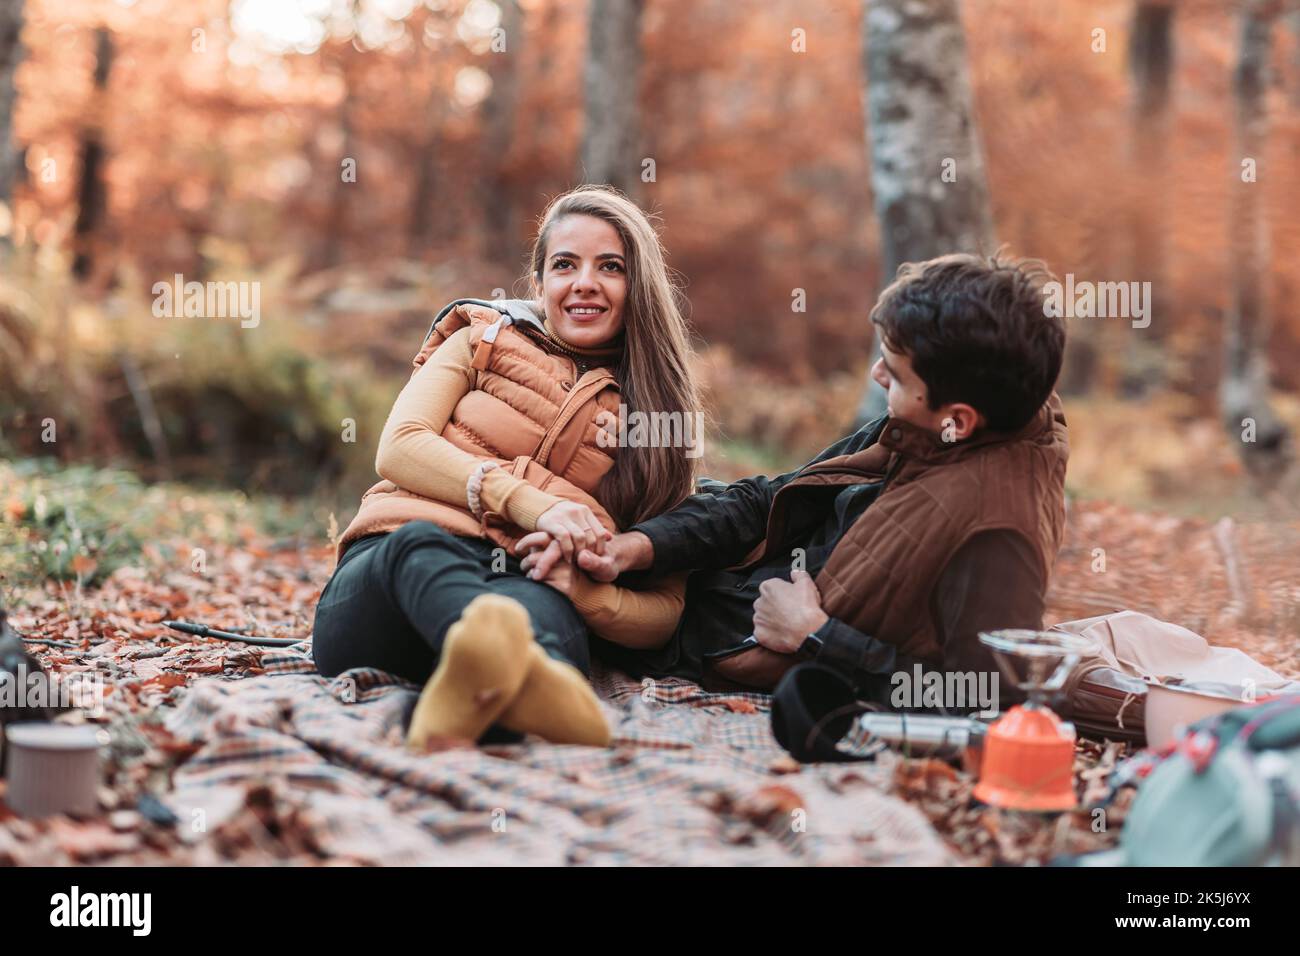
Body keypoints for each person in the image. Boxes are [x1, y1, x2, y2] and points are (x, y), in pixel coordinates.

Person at [522, 252, 1069, 713]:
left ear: (961, 417)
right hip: (707, 586)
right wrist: (634, 548)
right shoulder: (932, 427)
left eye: (895, 374)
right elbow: (772, 498)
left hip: (698, 635)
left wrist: (816, 638)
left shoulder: (998, 530)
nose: (878, 376)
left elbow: (987, 698)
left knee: (529, 594)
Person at [312, 186, 699, 748]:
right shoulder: (479, 339)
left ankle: (475, 694)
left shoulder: (661, 419)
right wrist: (533, 505)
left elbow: (665, 609)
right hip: (390, 577)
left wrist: (587, 595)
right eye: (565, 264)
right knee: (421, 548)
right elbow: (399, 445)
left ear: (638, 287)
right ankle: (507, 679)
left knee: (543, 629)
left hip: (527, 583)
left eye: (610, 267)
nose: (584, 282)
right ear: (539, 283)